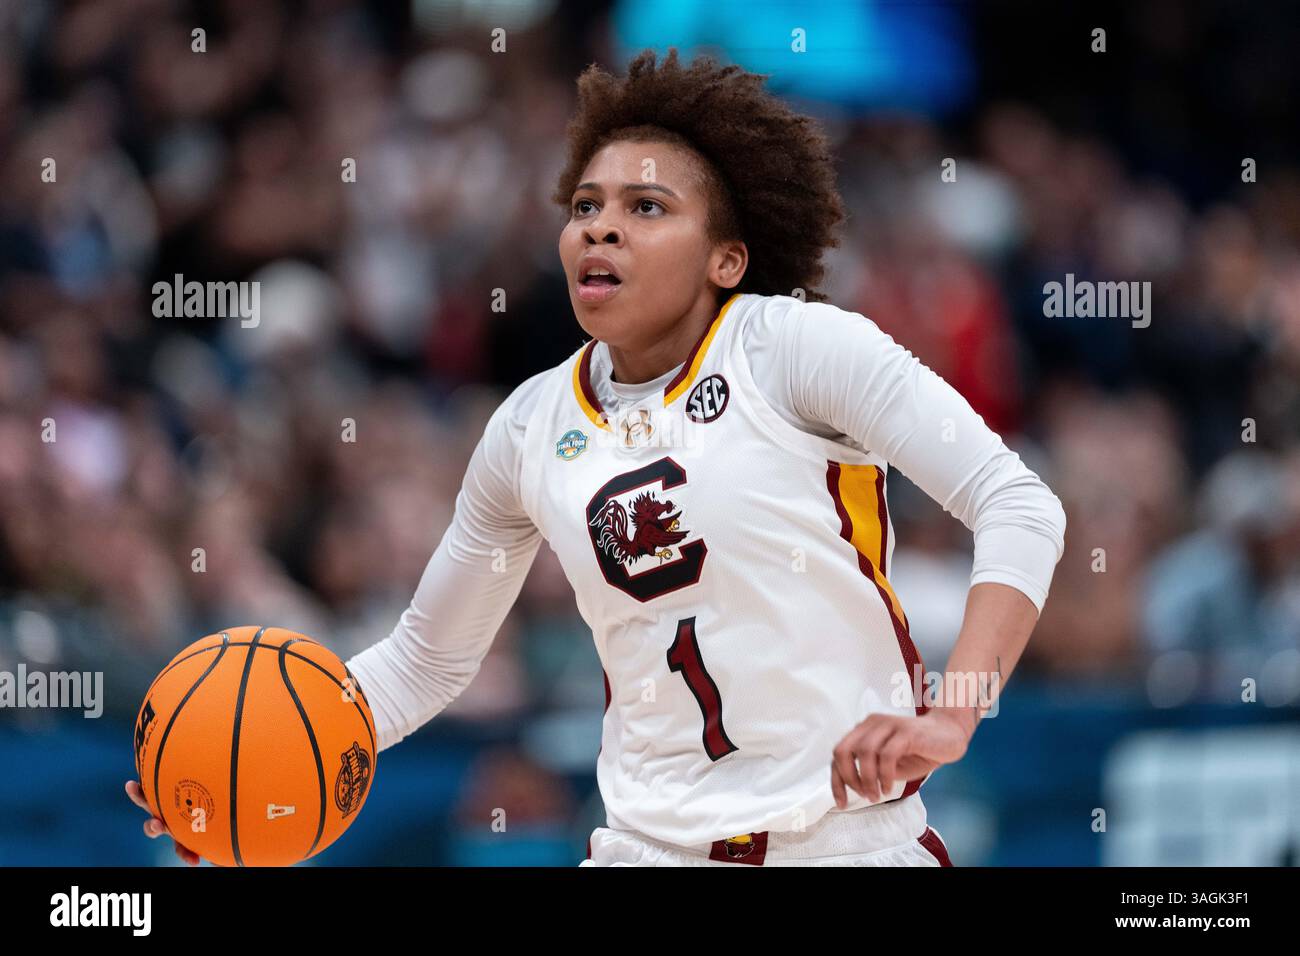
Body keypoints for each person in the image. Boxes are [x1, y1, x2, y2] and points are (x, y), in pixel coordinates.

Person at [130, 48, 1065, 867]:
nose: (599, 228)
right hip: (645, 850)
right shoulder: (529, 426)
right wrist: (230, 770)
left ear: (726, 259)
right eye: (586, 205)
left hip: (845, 848)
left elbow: (1019, 506)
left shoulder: (798, 349)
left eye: (645, 206)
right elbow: (422, 663)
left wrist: (956, 710)